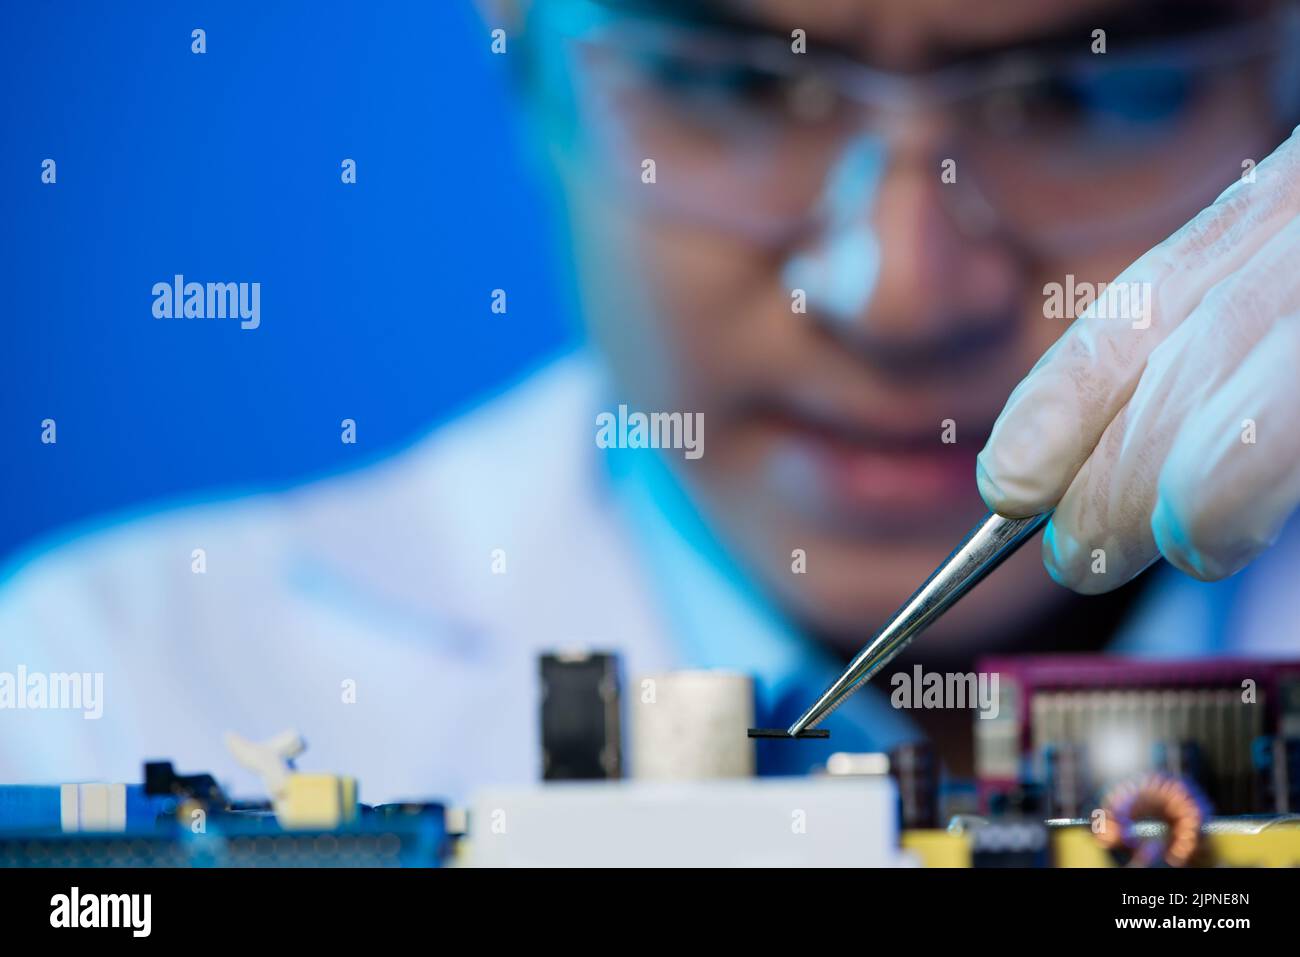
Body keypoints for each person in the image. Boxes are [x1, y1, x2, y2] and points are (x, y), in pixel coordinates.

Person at [3, 0, 1299, 802]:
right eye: (738, 84)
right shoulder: (107, 686)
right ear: (516, 41)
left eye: (1086, 91)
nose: (902, 293)